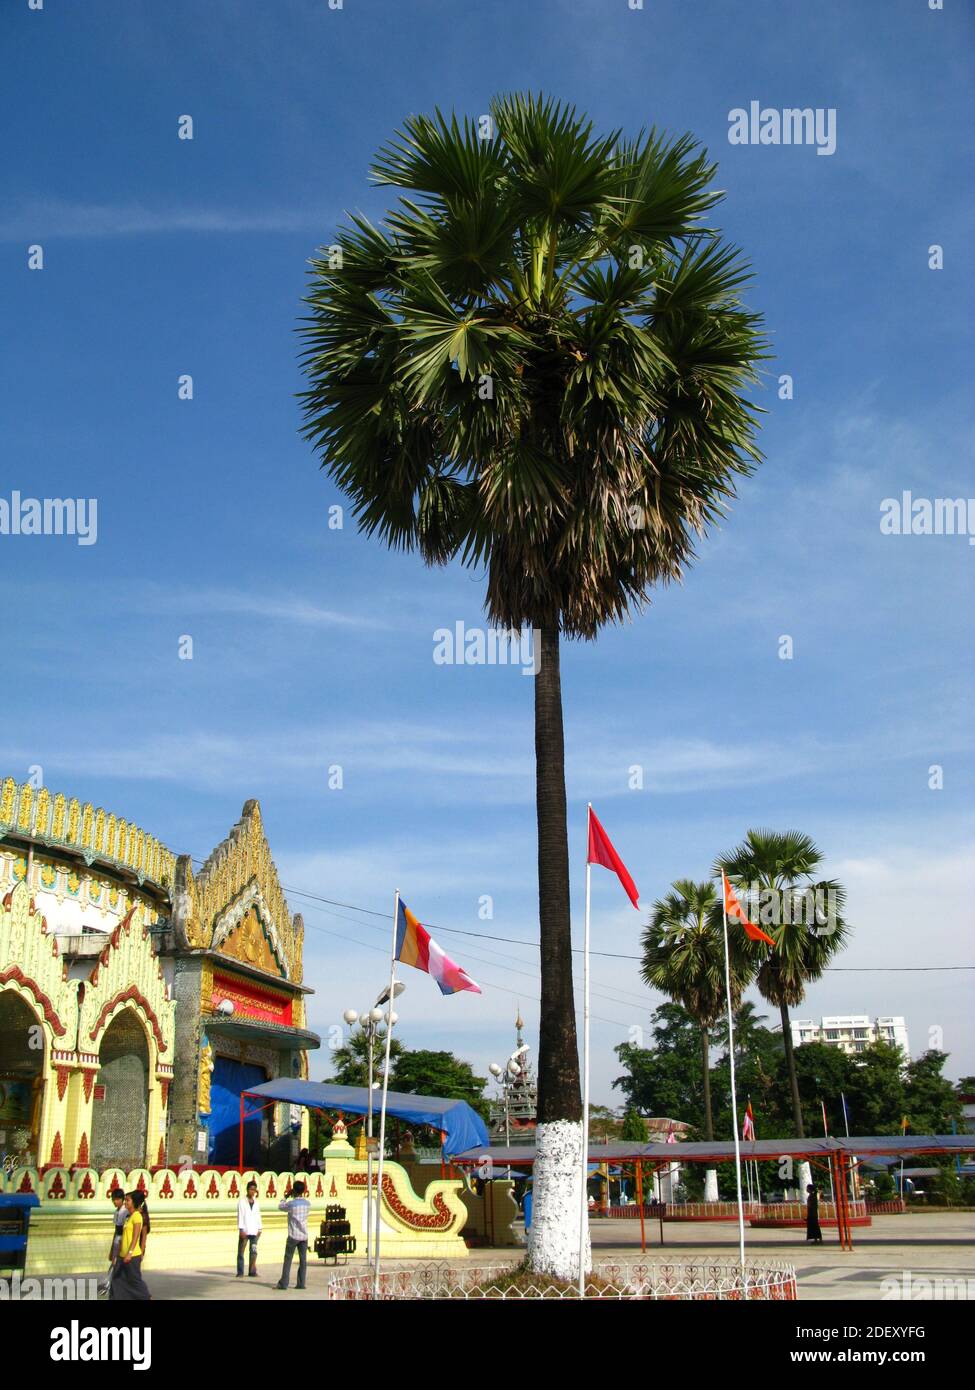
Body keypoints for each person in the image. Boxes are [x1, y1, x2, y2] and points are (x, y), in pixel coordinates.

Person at [110, 1191, 151, 1300]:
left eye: (128, 1200)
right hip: (122, 1255)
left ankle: (147, 1298)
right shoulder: (129, 1216)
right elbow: (123, 1237)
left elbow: (136, 1237)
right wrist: (116, 1254)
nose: (125, 1202)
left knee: (135, 1281)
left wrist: (130, 1253)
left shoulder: (137, 1216)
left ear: (134, 1202)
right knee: (116, 1280)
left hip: (132, 1256)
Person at [276, 1180, 310, 1290]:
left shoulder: (291, 1204)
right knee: (303, 1260)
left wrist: (286, 1196)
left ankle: (283, 1283)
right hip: (304, 1236)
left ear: (294, 1190)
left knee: (288, 1259)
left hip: (293, 1235)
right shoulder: (307, 1204)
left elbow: (280, 1206)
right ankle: (301, 1283)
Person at [99, 1188, 127, 1296]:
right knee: (114, 1264)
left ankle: (111, 1285)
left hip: (121, 1241)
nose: (114, 1202)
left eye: (116, 1199)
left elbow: (123, 1231)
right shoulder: (117, 1212)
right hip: (116, 1241)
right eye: (113, 1200)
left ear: (121, 1199)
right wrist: (112, 1249)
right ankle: (111, 1285)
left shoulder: (125, 1212)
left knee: (117, 1264)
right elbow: (116, 1230)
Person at [237, 1179, 262, 1277]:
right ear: (247, 1190)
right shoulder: (242, 1202)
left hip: (254, 1230)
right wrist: (241, 1229)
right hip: (245, 1229)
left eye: (254, 1190)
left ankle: (252, 1271)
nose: (252, 1192)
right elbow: (240, 1215)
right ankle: (240, 1272)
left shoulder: (256, 1202)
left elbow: (258, 1215)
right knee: (241, 1252)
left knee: (254, 1251)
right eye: (251, 1189)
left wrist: (260, 1228)